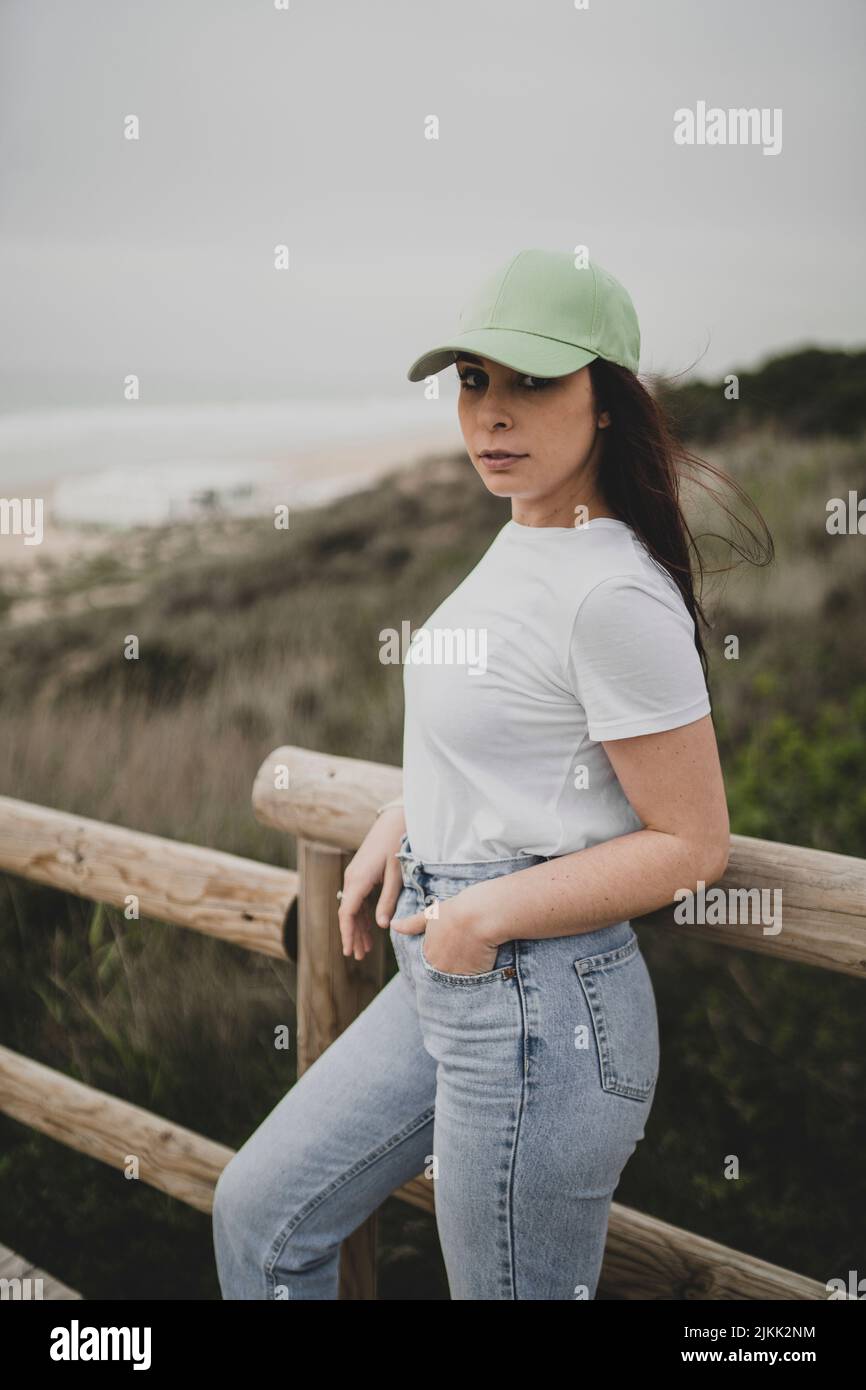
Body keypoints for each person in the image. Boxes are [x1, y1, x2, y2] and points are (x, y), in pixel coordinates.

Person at [213, 247, 763, 1300]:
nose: (492, 414)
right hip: (450, 965)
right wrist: (409, 814)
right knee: (261, 1216)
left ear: (606, 398)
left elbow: (693, 845)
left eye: (532, 381)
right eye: (474, 381)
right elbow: (517, 736)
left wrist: (476, 919)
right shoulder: (524, 540)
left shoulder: (611, 594)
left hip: (537, 996)